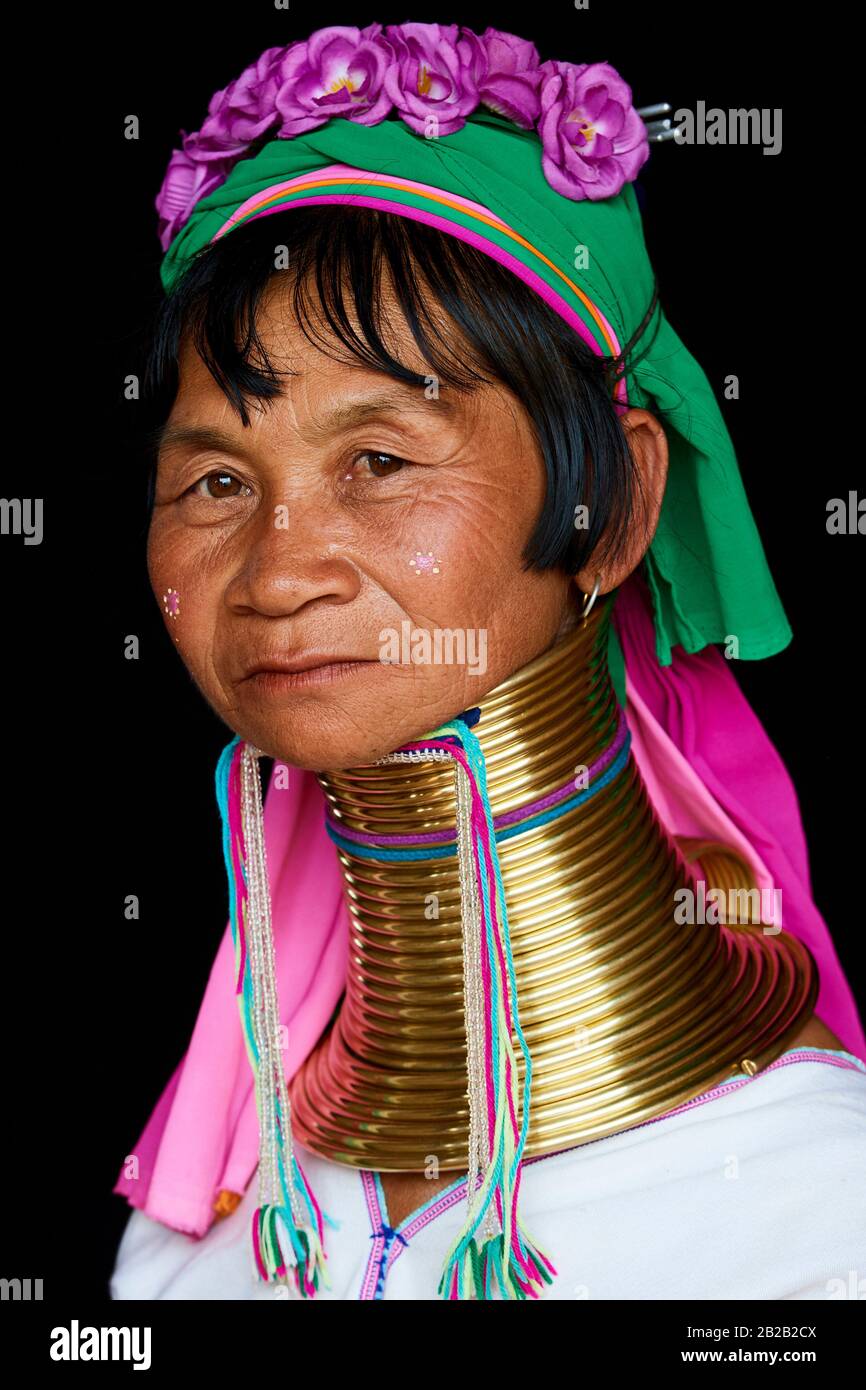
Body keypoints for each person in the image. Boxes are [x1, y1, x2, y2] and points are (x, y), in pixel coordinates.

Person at [110, 21, 866, 1301]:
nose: (281, 571)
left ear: (613, 507)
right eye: (217, 480)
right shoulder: (205, 1219)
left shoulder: (810, 1215)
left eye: (382, 462)